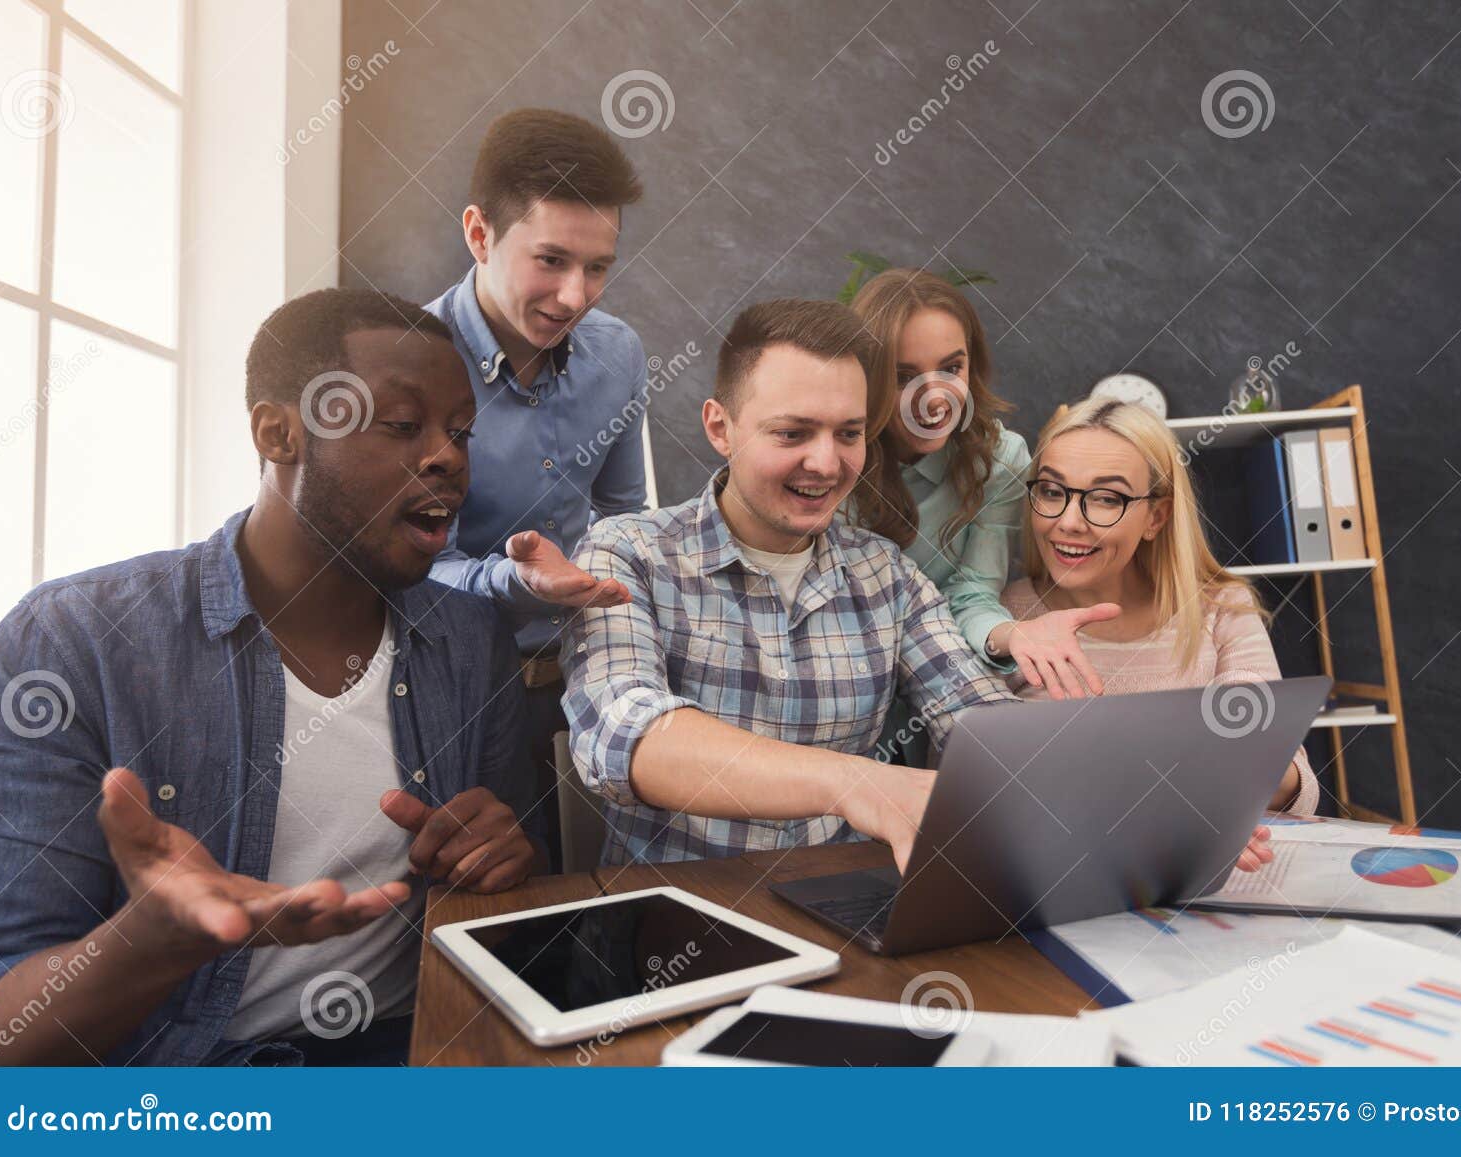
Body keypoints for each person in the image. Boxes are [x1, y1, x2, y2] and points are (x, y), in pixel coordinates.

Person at [0, 290, 546, 1065]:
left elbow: (522, 912)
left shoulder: (471, 637)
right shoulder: (71, 641)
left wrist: (506, 858)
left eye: (460, 432)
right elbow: (3, 1033)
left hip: (425, 1055)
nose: (447, 456)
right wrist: (149, 943)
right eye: (402, 424)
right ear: (278, 432)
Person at [561, 299, 1019, 870]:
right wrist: (855, 783)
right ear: (720, 428)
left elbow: (977, 720)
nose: (826, 464)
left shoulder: (888, 574)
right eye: (793, 433)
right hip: (666, 925)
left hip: (842, 916)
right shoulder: (628, 552)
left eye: (848, 433)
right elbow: (625, 738)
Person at [424, 108, 648, 850]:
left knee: (597, 910)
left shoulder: (619, 355)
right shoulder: (409, 366)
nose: (576, 296)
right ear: (479, 234)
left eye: (598, 267)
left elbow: (622, 513)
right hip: (449, 692)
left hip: (591, 679)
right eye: (550, 260)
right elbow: (407, 568)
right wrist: (519, 586)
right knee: (486, 918)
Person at [1001, 396, 1320, 853]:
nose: (1068, 523)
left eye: (1107, 498)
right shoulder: (1001, 623)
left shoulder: (1221, 609)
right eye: (1052, 492)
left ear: (1156, 517)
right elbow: (964, 792)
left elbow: (1292, 782)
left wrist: (1241, 785)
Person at [848, 270, 1117, 717]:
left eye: (951, 368)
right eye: (903, 376)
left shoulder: (999, 460)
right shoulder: (832, 464)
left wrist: (1011, 635)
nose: (934, 400)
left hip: (938, 675)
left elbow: (970, 592)